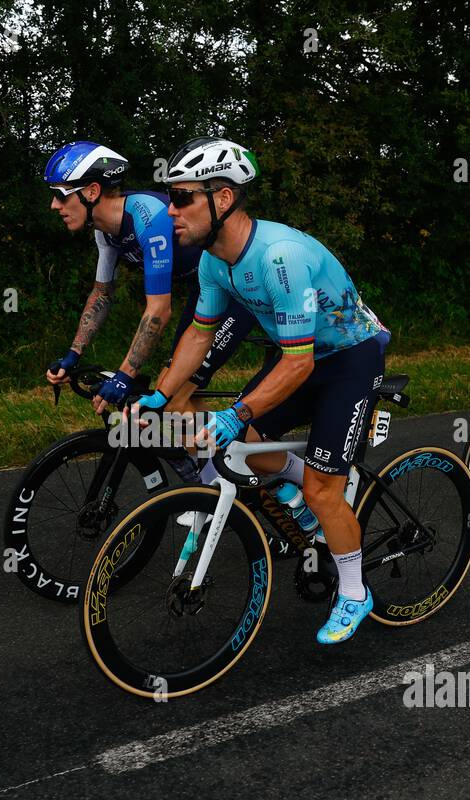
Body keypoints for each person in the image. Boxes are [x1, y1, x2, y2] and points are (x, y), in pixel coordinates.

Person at [143, 136, 390, 645]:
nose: (171, 211)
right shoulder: (215, 261)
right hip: (300, 356)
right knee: (245, 447)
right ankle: (317, 488)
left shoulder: (281, 257)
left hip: (348, 357)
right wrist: (161, 395)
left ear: (223, 198)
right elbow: (198, 334)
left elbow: (298, 364)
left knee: (320, 487)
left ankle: (353, 591)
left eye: (182, 197)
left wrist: (236, 410)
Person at [42, 141, 258, 482]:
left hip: (235, 291)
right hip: (206, 289)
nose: (54, 205)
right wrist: (73, 353)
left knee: (170, 394)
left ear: (92, 191)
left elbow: (158, 309)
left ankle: (248, 472)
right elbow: (102, 295)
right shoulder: (105, 233)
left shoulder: (149, 218)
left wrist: (126, 373)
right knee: (175, 398)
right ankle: (222, 477)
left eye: (60, 194)